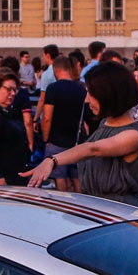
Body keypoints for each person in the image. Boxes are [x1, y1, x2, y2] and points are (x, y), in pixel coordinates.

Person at [25, 61, 138, 202]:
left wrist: (52, 160)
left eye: (91, 93)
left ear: (109, 94)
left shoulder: (132, 135)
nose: (87, 100)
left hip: (117, 213)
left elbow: (93, 149)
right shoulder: (105, 124)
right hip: (98, 209)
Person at [36, 55, 88, 190]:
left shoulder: (53, 89)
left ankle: (65, 205)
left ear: (55, 70)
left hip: (56, 140)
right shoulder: (81, 89)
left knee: (60, 176)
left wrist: (45, 138)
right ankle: (81, 204)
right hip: (77, 140)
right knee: (77, 177)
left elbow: (47, 117)